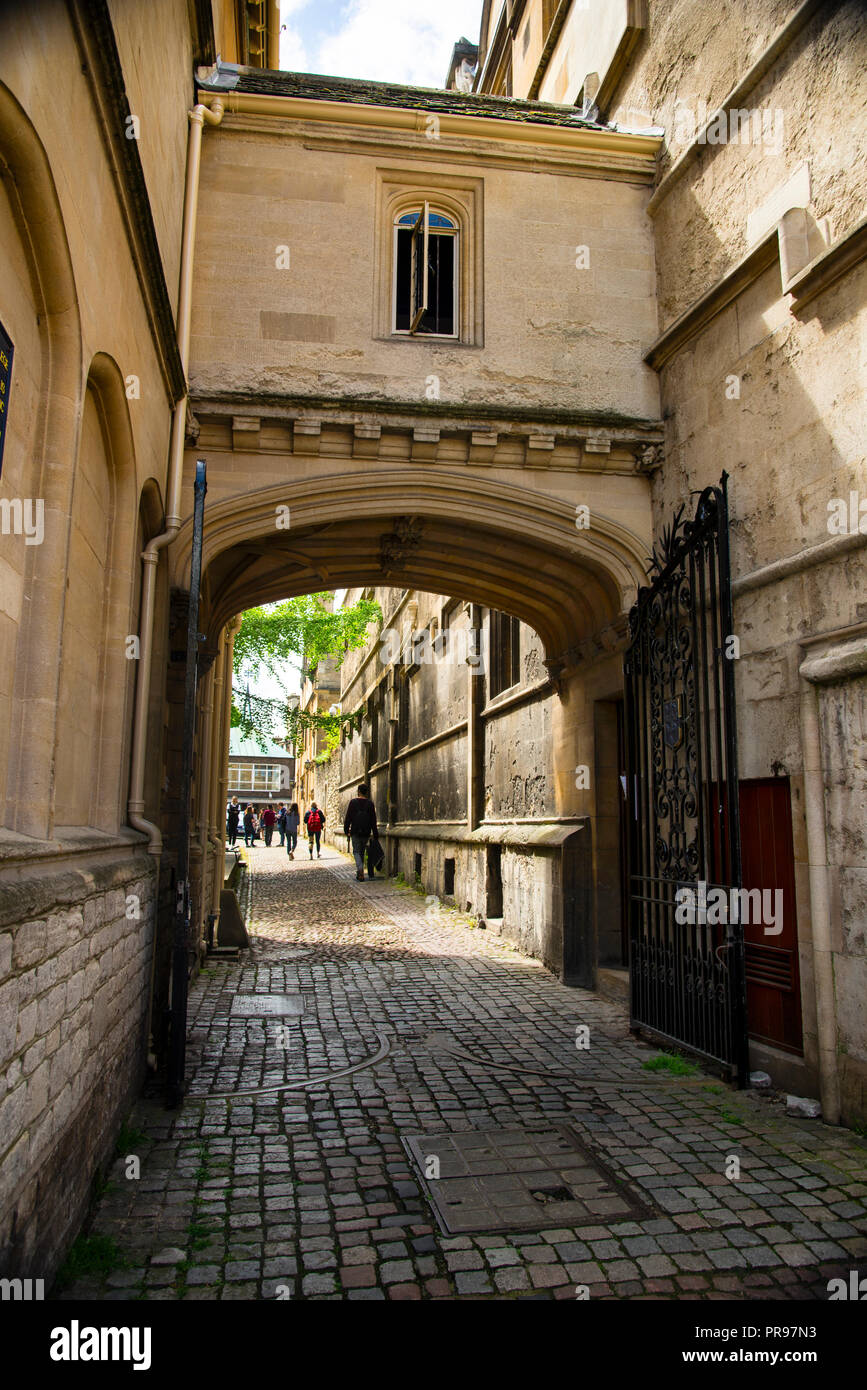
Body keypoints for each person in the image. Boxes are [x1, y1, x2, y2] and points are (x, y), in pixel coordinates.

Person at [344, 783, 379, 882]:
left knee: (356, 851)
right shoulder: (370, 804)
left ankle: (360, 869)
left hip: (355, 831)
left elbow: (348, 818)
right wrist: (375, 833)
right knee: (362, 852)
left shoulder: (353, 802)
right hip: (366, 831)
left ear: (358, 791)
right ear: (367, 792)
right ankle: (361, 872)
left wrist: (347, 830)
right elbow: (373, 820)